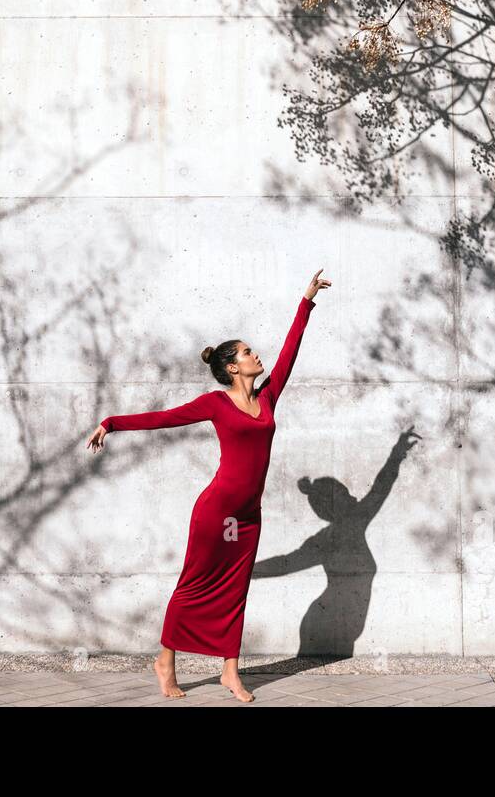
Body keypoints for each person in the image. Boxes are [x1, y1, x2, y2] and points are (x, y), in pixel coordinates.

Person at [86, 269, 331, 701]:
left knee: (236, 588)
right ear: (233, 366)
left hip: (247, 516)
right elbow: (162, 418)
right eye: (248, 352)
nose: (258, 355)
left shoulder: (268, 397)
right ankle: (165, 660)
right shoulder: (215, 404)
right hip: (218, 512)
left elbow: (291, 350)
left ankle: (230, 672)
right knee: (196, 585)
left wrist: (306, 300)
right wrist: (111, 423)